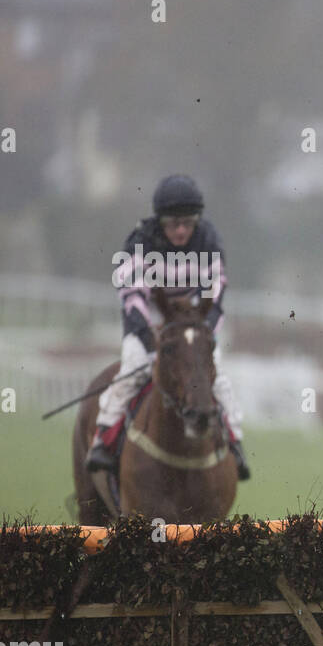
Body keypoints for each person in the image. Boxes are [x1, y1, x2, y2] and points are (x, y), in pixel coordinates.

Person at [85, 174, 250, 480]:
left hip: (191, 321)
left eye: (188, 223)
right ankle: (103, 441)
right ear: (160, 220)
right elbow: (132, 294)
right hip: (148, 318)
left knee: (218, 378)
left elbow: (215, 292)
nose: (181, 230)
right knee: (132, 371)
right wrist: (150, 339)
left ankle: (234, 442)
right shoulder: (140, 241)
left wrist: (202, 336)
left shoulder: (208, 238)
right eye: (174, 223)